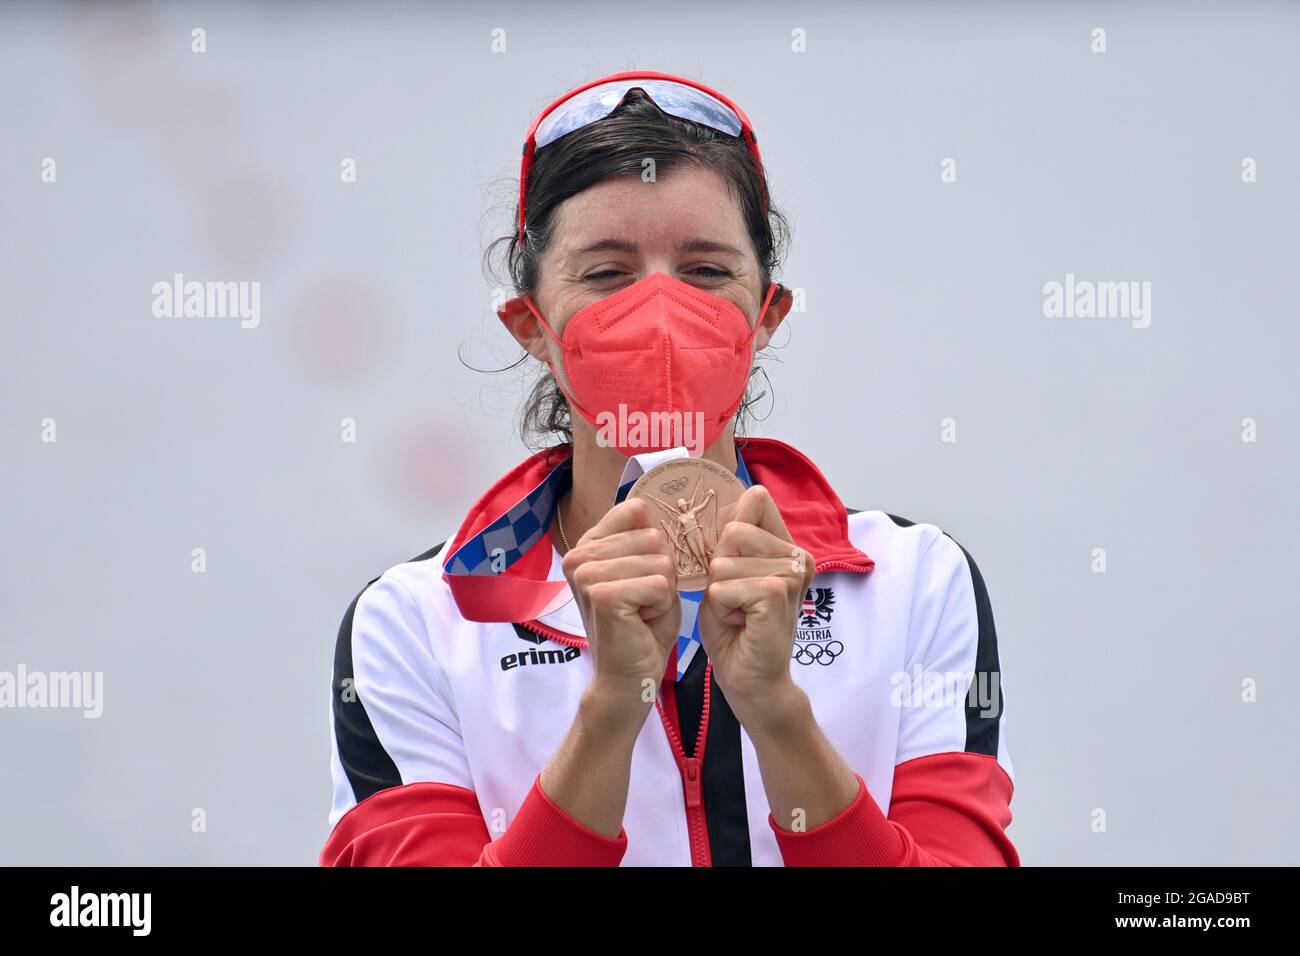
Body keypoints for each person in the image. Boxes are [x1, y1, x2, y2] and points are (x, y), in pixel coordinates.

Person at [321, 71, 1019, 866]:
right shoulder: (420, 621)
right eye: (607, 274)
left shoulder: (914, 583)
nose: (659, 314)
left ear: (766, 316)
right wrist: (610, 712)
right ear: (531, 326)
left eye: (707, 272)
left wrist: (779, 713)